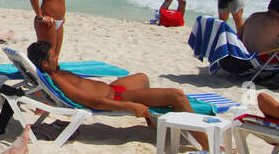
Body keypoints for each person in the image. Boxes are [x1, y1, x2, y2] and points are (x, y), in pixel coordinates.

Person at [26, 40, 193, 123]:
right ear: (45, 63)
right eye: (54, 55)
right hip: (117, 98)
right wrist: (131, 106)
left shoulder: (55, 72)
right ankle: (205, 142)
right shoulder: (58, 80)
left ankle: (151, 120)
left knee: (142, 77)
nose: (57, 56)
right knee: (176, 95)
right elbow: (92, 102)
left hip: (113, 89)